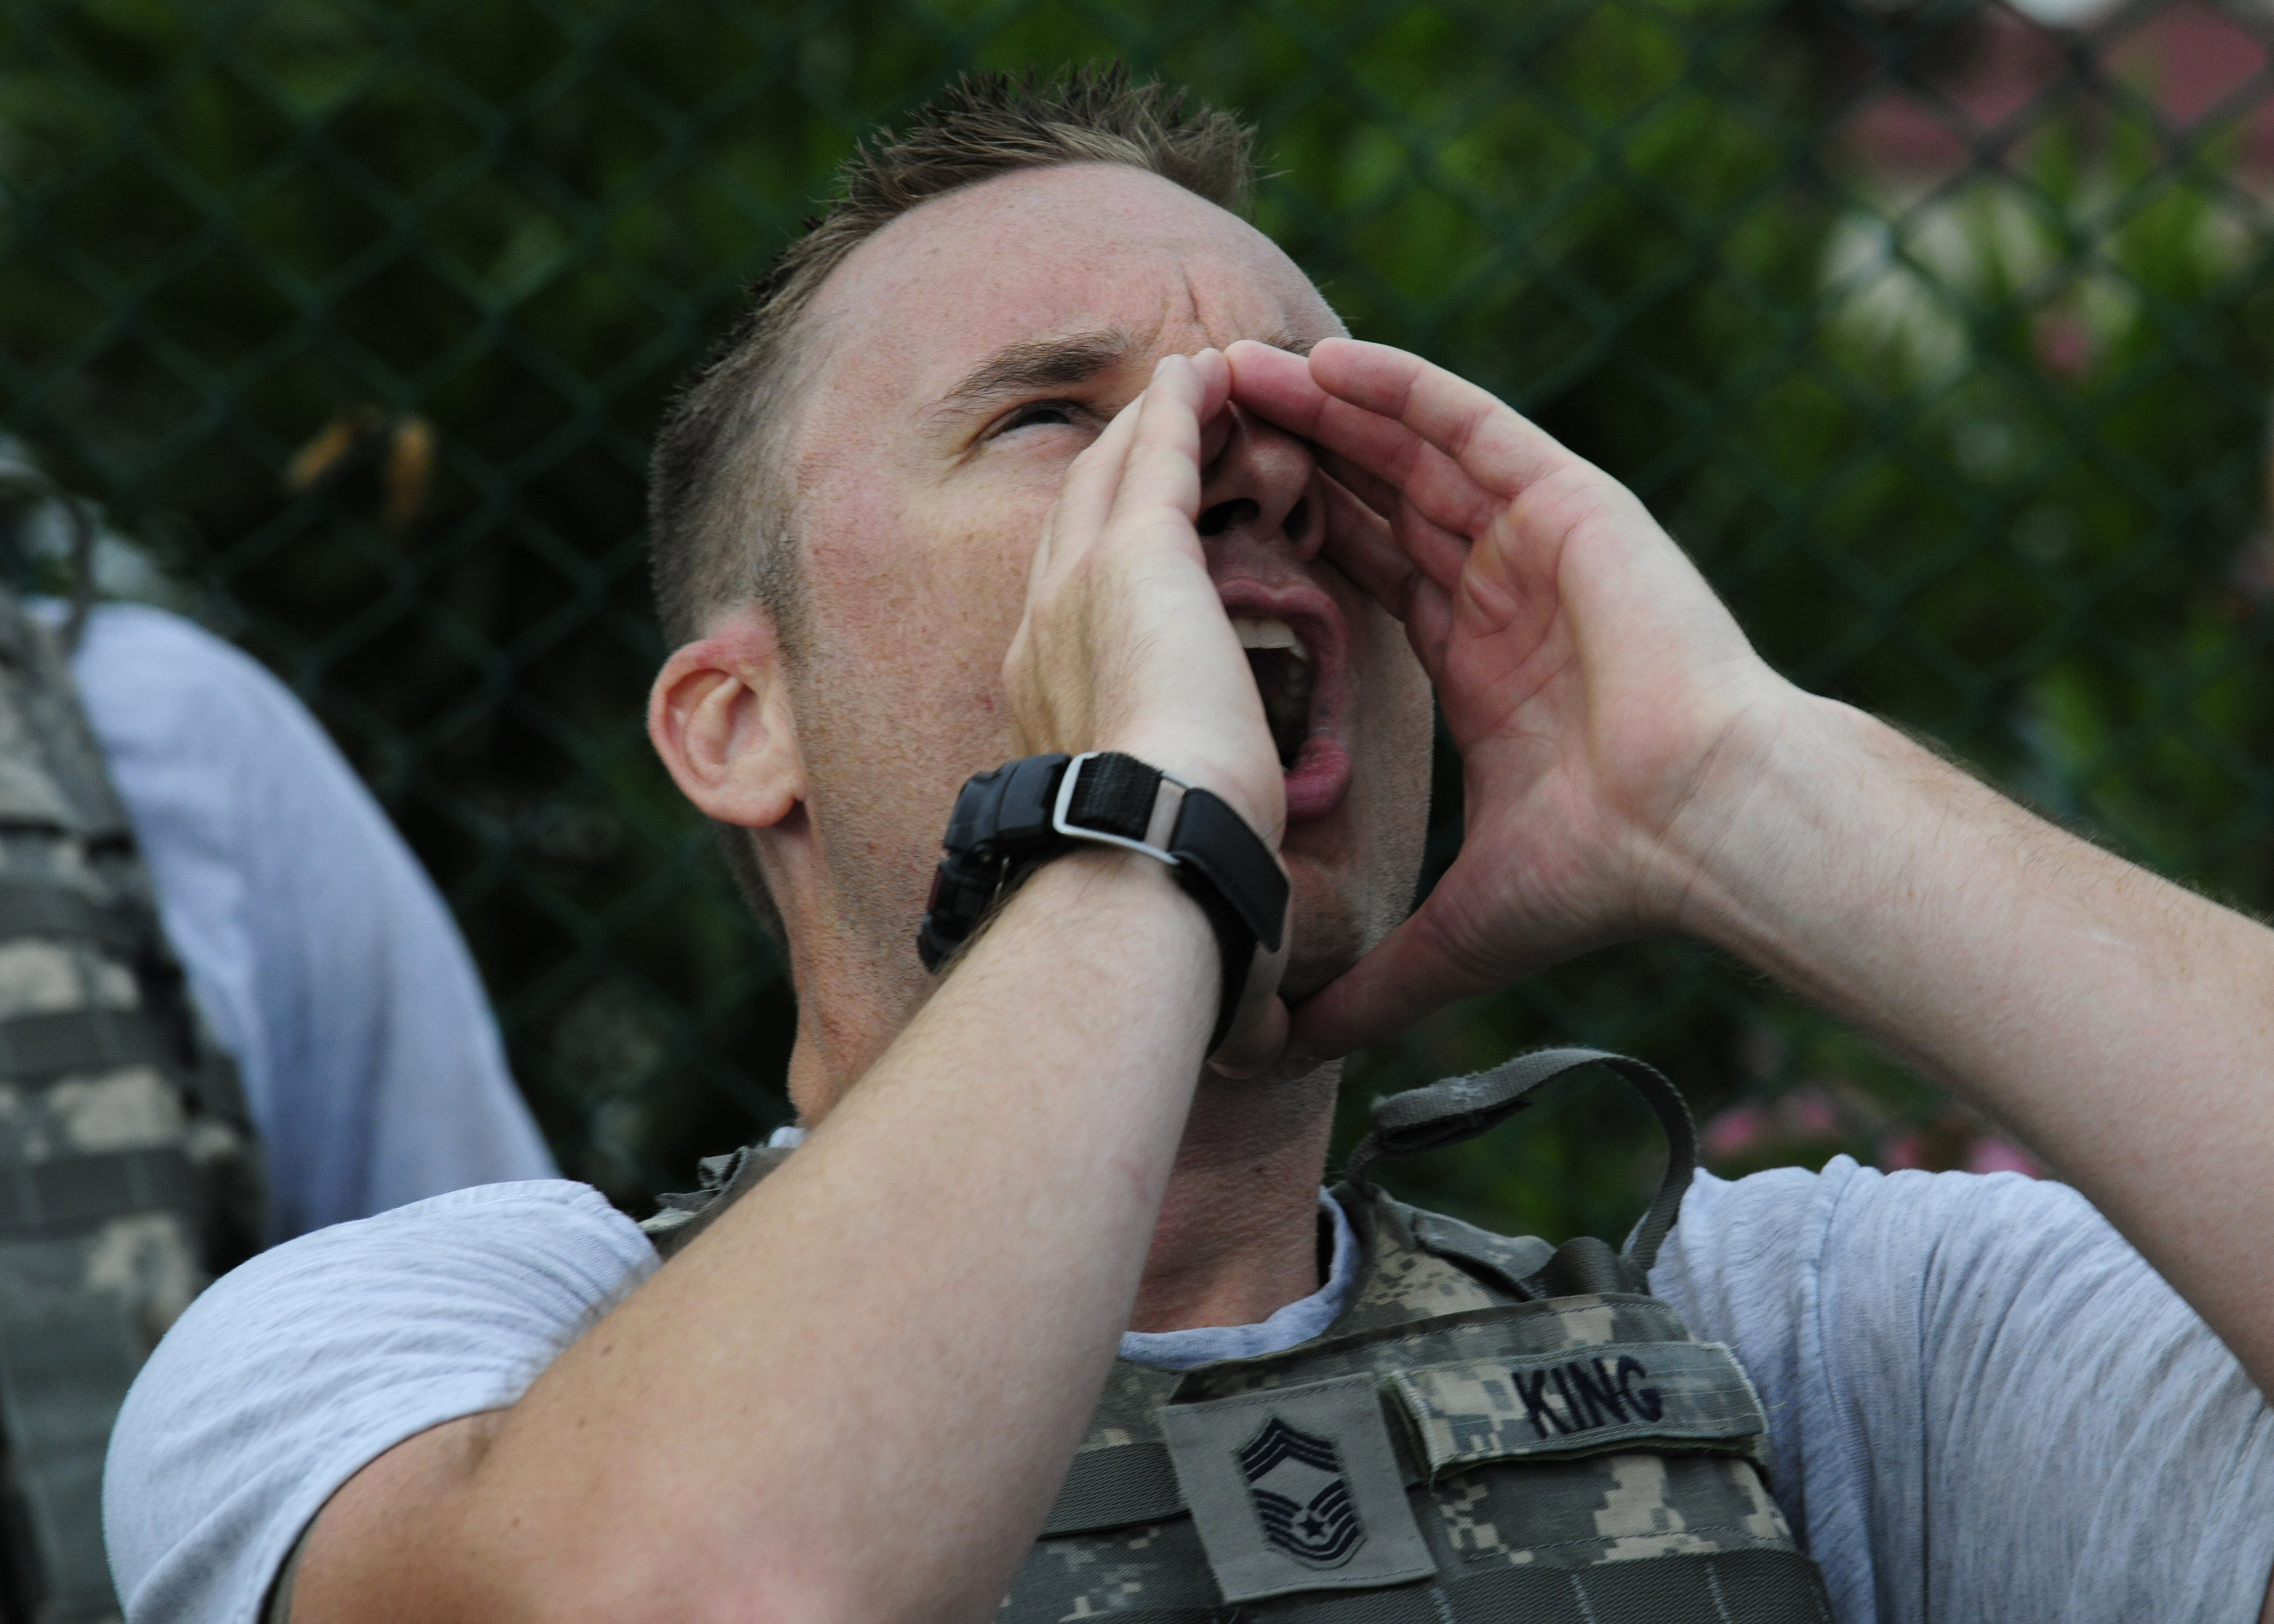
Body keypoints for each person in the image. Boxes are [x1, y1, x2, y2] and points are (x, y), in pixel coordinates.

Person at [102, 70, 2274, 1624]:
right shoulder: (444, 1357)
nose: (1226, 474)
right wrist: (1138, 826)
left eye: (1309, 423)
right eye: (1050, 419)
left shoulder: (1816, 1359)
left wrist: (1741, 784)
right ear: (734, 721)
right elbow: (706, 1585)